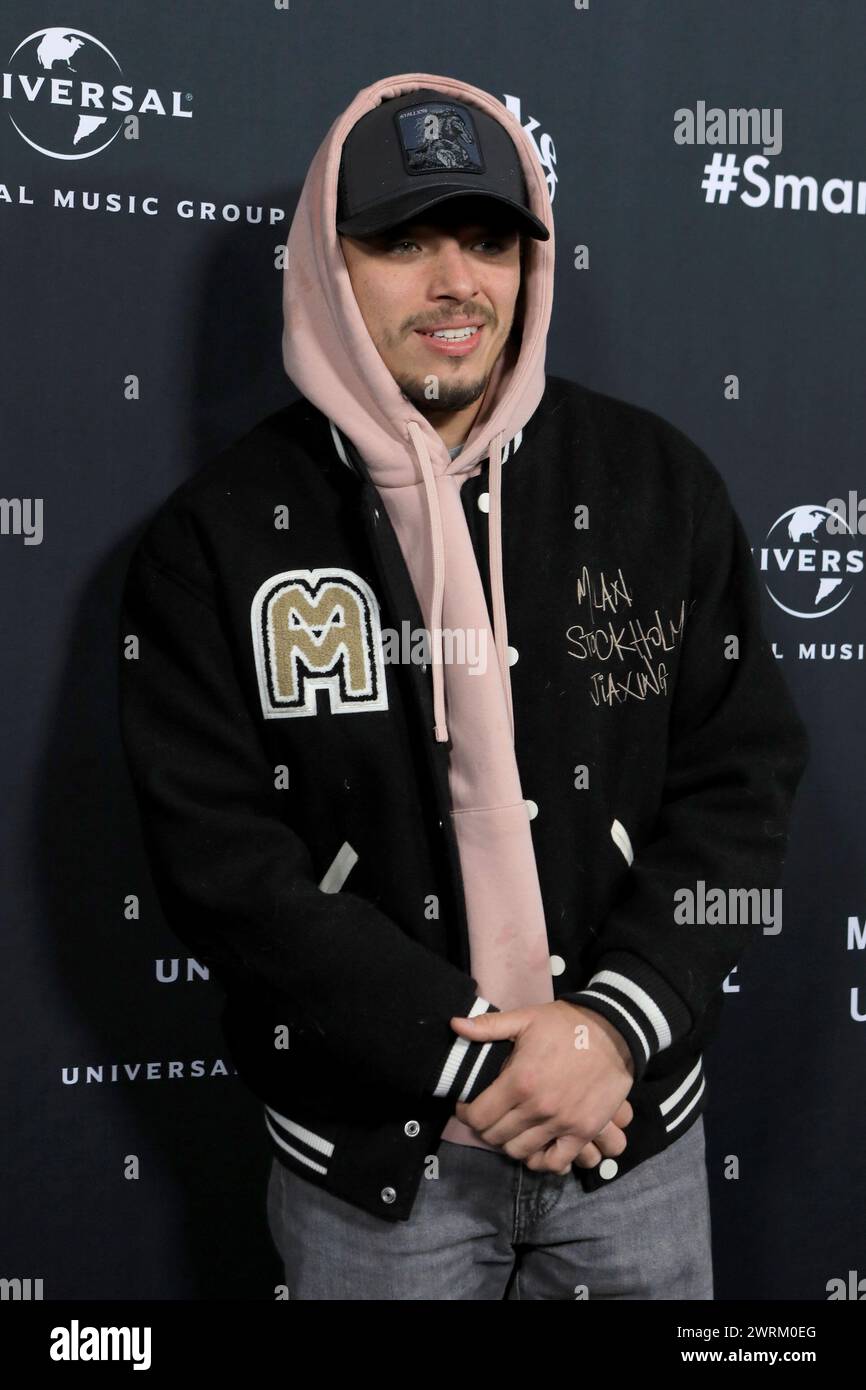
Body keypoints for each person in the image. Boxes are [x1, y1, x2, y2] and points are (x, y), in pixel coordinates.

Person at [118, 73, 810, 1300]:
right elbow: (222, 865)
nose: (454, 284)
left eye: (486, 240)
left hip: (625, 1131)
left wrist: (607, 1029)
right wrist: (469, 1067)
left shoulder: (654, 482)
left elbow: (738, 781)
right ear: (329, 267)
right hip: (374, 1171)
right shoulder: (218, 536)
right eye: (402, 241)